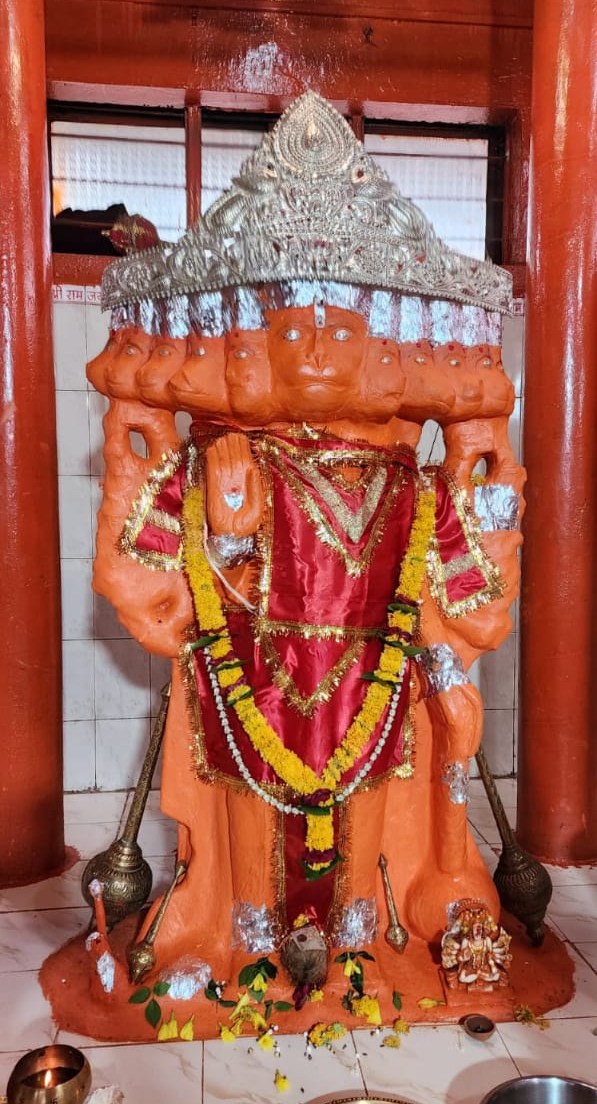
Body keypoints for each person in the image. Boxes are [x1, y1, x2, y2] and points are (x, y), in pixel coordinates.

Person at [89, 92, 521, 999]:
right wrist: (207, 529)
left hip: (374, 682)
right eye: (292, 331)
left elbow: (466, 582)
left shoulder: (405, 480)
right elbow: (143, 574)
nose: (318, 352)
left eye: (340, 333)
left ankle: (359, 941)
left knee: (364, 810)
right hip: (251, 678)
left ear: (379, 357)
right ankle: (248, 942)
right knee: (251, 807)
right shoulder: (227, 459)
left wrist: (487, 503)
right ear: (254, 349)